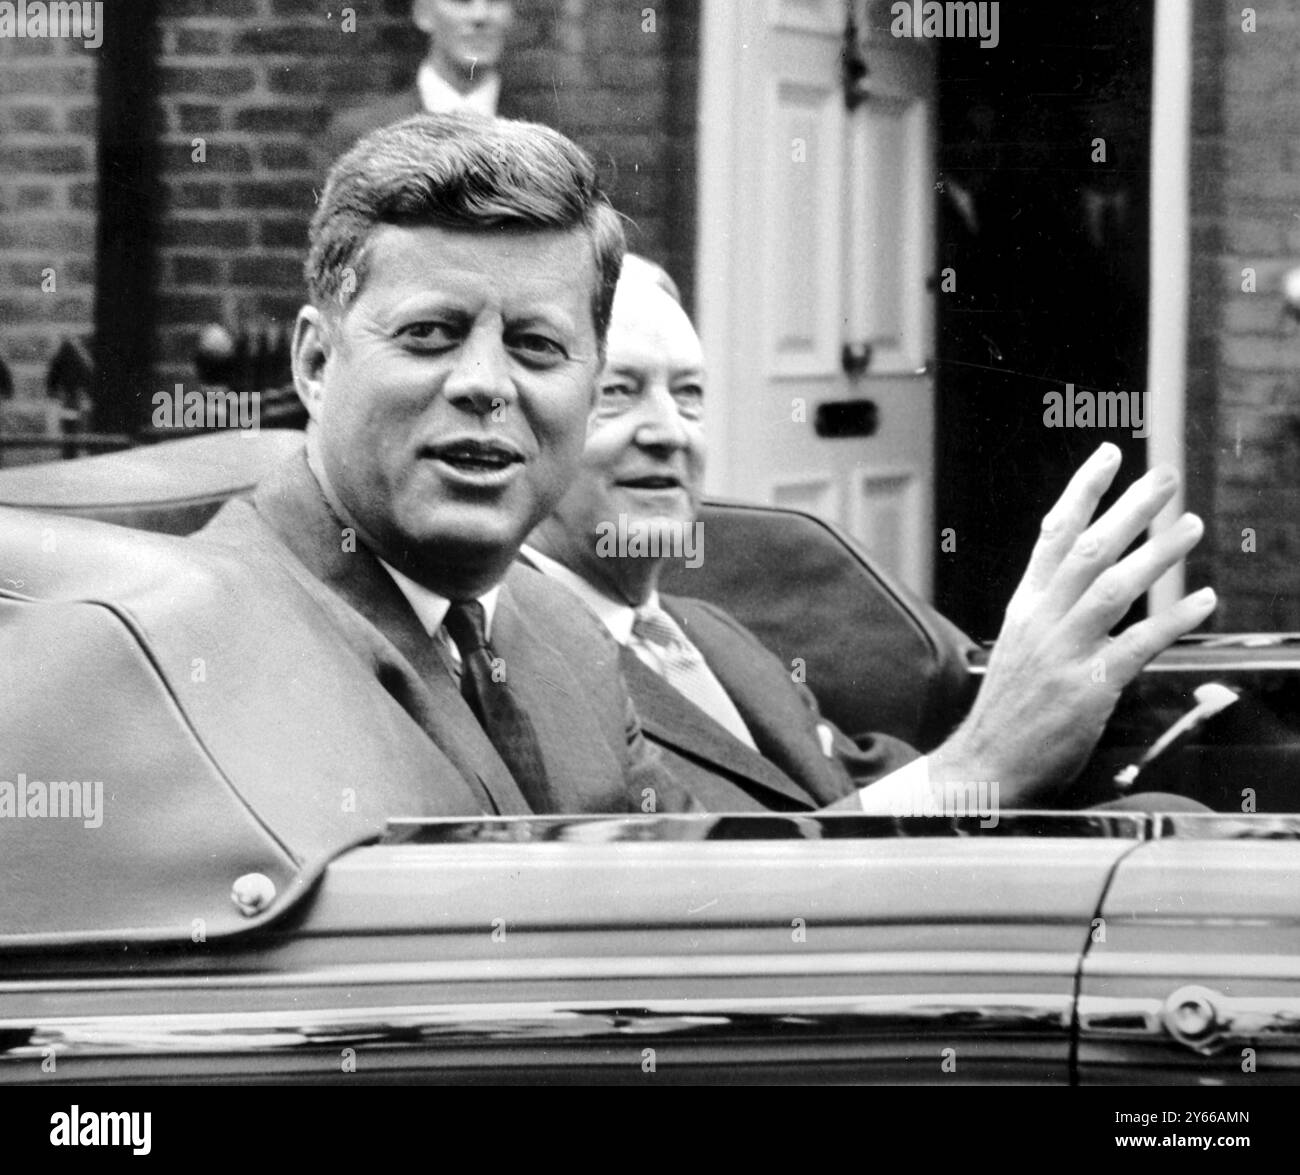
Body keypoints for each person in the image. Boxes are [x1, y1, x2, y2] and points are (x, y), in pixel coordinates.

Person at [526, 256, 1218, 814]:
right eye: (617, 392)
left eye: (689, 394)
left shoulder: (710, 635)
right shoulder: (515, 662)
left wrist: (1057, 718)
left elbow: (852, 789)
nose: (669, 430)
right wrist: (979, 761)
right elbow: (707, 893)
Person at [201, 114, 695, 820]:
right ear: (315, 363)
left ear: (591, 389)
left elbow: (696, 881)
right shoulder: (211, 637)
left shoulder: (565, 628)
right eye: (429, 334)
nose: (486, 384)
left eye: (536, 345)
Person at [321, 0, 519, 164]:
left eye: (496, 1)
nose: (480, 16)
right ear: (423, 13)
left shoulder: (544, 131)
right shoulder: (360, 135)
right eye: (461, 1)